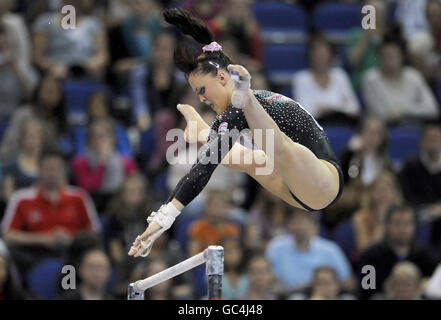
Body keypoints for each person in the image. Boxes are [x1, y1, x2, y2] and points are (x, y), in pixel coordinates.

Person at [129, 8, 343, 258]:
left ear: (222, 77)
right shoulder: (230, 117)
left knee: (279, 148)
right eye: (196, 92)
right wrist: (164, 216)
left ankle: (245, 99)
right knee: (240, 159)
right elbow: (206, 164)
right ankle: (203, 131)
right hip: (293, 189)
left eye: (202, 89)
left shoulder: (248, 108)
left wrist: (167, 216)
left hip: (322, 177)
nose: (201, 98)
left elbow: (204, 167)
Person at [1, 150, 101, 276]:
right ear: (39, 170)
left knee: (90, 251)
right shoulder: (21, 198)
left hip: (70, 253)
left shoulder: (79, 196)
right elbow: (8, 236)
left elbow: (94, 233)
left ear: (63, 171)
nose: (52, 173)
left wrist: (71, 239)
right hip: (34, 254)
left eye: (56, 169)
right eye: (47, 168)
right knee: (10, 251)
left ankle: (72, 290)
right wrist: (42, 239)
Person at [356, 204, 438, 300]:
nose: (402, 229)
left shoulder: (427, 256)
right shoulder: (370, 257)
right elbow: (366, 291)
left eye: (407, 223)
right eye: (397, 223)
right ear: (386, 226)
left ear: (415, 226)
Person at [266, 208, 354, 292]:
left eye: (302, 221)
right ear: (288, 225)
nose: (298, 226)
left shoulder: (330, 249)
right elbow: (266, 278)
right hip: (285, 295)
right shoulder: (276, 247)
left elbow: (348, 281)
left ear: (313, 224)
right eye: (293, 221)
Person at [361, 36, 439, 125]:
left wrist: (404, 110)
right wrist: (414, 109)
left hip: (417, 123)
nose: (389, 60)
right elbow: (382, 114)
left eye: (393, 56)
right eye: (385, 56)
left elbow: (432, 109)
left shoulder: (413, 75)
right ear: (379, 58)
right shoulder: (371, 79)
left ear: (401, 57)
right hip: (387, 127)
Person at [335, 171, 403, 267]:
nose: (383, 195)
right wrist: (381, 222)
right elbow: (366, 253)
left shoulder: (403, 217)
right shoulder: (360, 218)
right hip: (368, 267)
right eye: (379, 190)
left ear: (395, 193)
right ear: (371, 194)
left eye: (387, 190)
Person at [292, 33, 361, 126]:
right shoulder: (301, 79)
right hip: (313, 129)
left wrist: (324, 108)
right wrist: (339, 105)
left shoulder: (340, 76)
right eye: (317, 54)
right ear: (310, 56)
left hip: (342, 124)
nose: (320, 58)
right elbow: (303, 111)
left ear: (331, 56)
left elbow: (354, 108)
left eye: (324, 54)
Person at [32, 0, 108, 79]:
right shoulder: (46, 22)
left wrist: (94, 64)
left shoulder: (94, 23)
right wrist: (51, 66)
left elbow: (103, 56)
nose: (71, 3)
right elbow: (38, 58)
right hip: (56, 71)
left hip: (86, 70)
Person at [398, 122, 441, 221]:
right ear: (421, 141)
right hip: (418, 211)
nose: (433, 143)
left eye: (436, 138)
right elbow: (406, 195)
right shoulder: (410, 165)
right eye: (430, 139)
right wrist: (430, 208)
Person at [288, 266, 356, 300]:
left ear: (337, 285)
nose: (323, 288)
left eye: (327, 283)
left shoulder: (348, 298)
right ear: (313, 286)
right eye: (319, 284)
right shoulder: (298, 298)